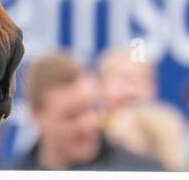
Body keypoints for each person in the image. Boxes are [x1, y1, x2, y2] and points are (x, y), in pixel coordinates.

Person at [12, 54, 163, 171]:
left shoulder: (144, 175)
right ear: (36, 116)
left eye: (93, 108)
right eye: (71, 116)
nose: (88, 123)